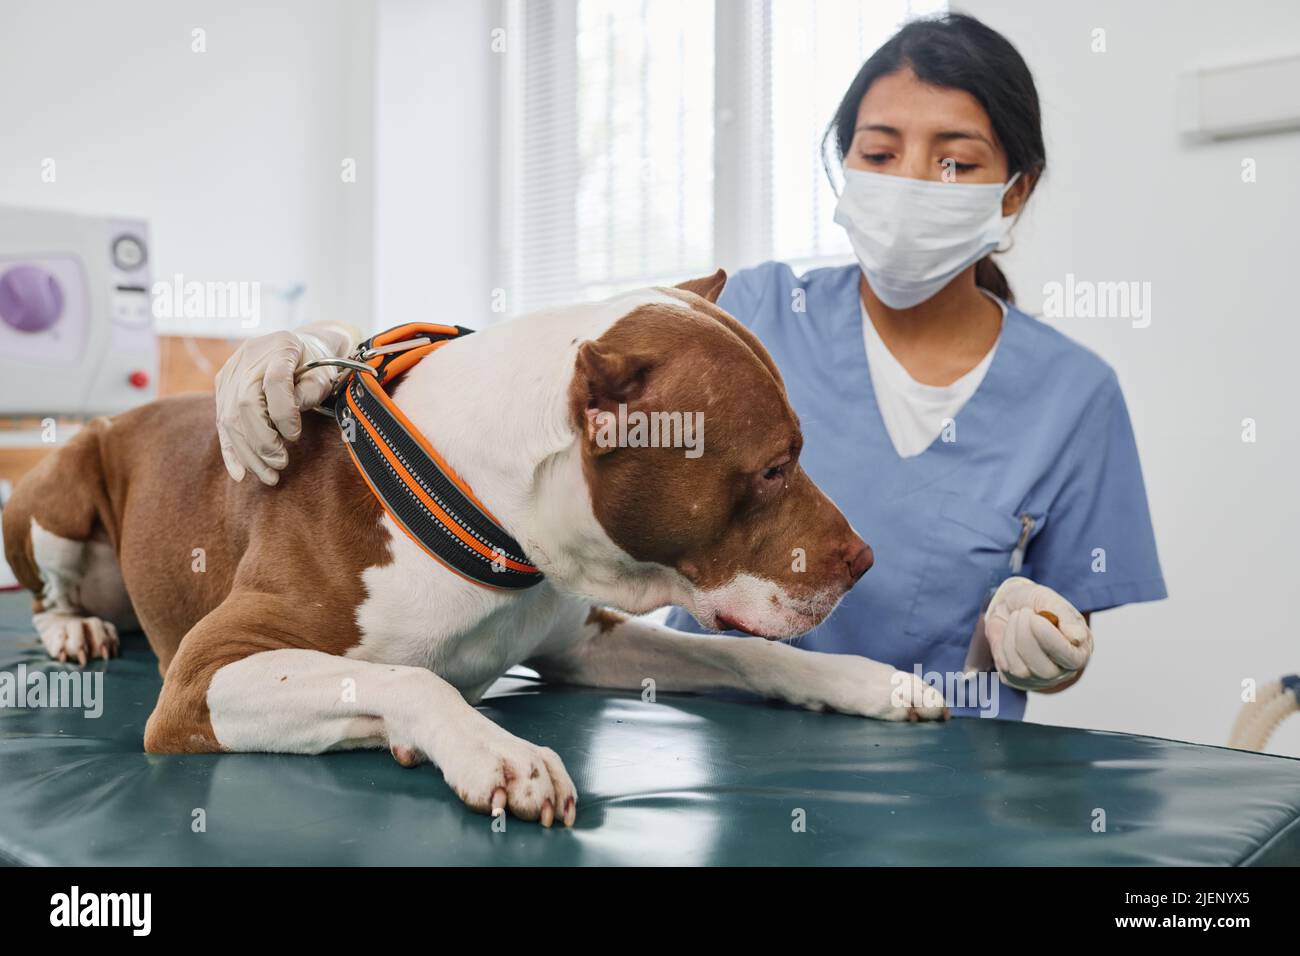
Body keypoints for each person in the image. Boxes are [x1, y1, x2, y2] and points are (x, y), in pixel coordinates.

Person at [213, 14, 1165, 720]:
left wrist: (1036, 643)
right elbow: (522, 381)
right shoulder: (740, 323)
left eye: (955, 164)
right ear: (845, 170)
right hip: (705, 738)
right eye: (881, 153)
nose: (913, 184)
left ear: (1016, 189)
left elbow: (1064, 637)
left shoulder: (1075, 396)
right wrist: (323, 346)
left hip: (936, 768)